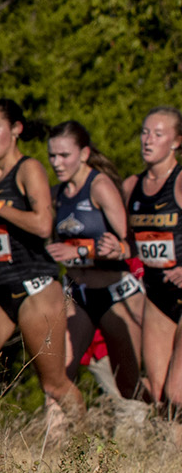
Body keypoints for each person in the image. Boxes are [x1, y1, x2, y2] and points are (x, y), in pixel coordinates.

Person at [0, 98, 83, 442]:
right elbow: (4, 229)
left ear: (16, 130)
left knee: (54, 383)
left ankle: (86, 452)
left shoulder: (29, 170)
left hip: (35, 286)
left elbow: (43, 225)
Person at [46, 121, 141, 399]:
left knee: (128, 386)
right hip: (76, 293)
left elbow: (129, 245)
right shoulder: (57, 194)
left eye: (64, 156)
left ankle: (169, 419)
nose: (57, 163)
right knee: (59, 376)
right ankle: (56, 442)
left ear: (84, 154)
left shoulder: (100, 186)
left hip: (115, 292)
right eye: (52, 156)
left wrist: (80, 252)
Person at [125, 108, 182, 405]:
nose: (148, 140)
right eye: (145, 132)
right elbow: (130, 244)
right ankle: (172, 453)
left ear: (176, 142)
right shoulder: (131, 186)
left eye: (158, 134)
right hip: (157, 295)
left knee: (177, 392)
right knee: (160, 396)